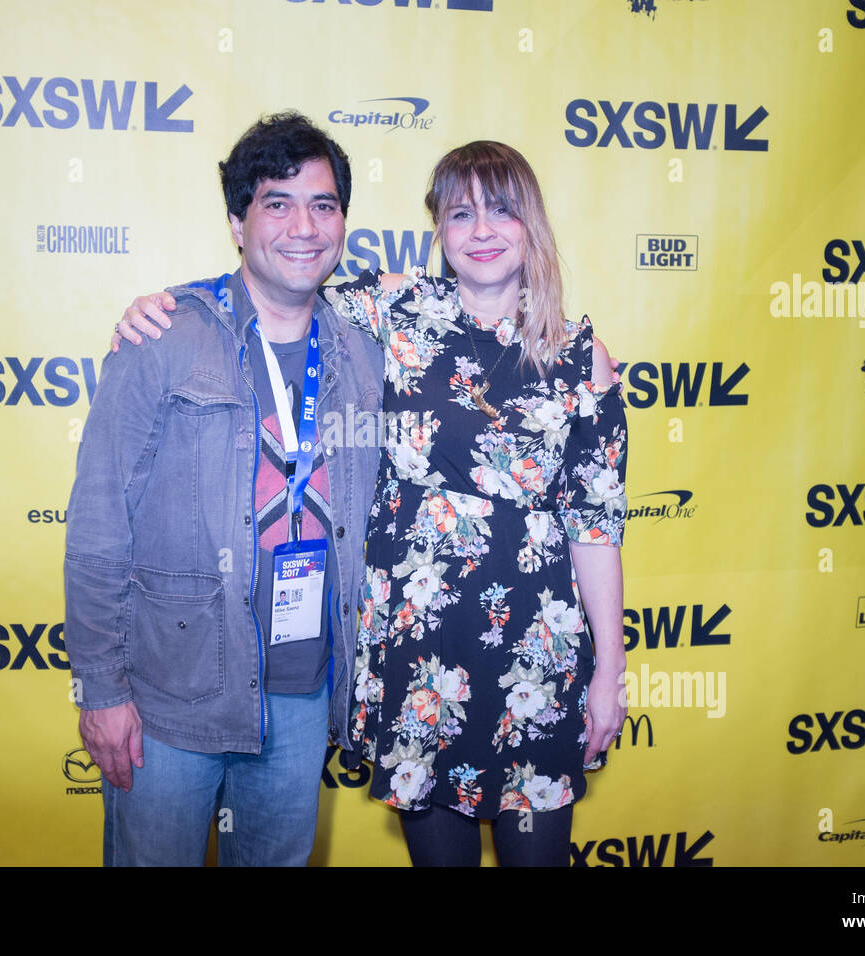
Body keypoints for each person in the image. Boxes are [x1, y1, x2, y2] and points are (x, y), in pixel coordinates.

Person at [114, 140, 628, 867]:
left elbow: (596, 531)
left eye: (501, 211)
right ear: (440, 232)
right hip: (420, 656)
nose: (481, 230)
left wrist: (609, 671)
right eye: (460, 213)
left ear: (532, 224)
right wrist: (163, 307)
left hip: (536, 658)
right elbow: (277, 282)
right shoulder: (395, 310)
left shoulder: (583, 358)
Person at [64, 112, 384, 866]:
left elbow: (481, 307)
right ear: (238, 223)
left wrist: (579, 346)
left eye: (325, 205)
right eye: (278, 203)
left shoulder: (366, 347)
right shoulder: (164, 338)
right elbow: (98, 524)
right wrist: (101, 692)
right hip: (174, 697)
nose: (304, 226)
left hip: (303, 695)